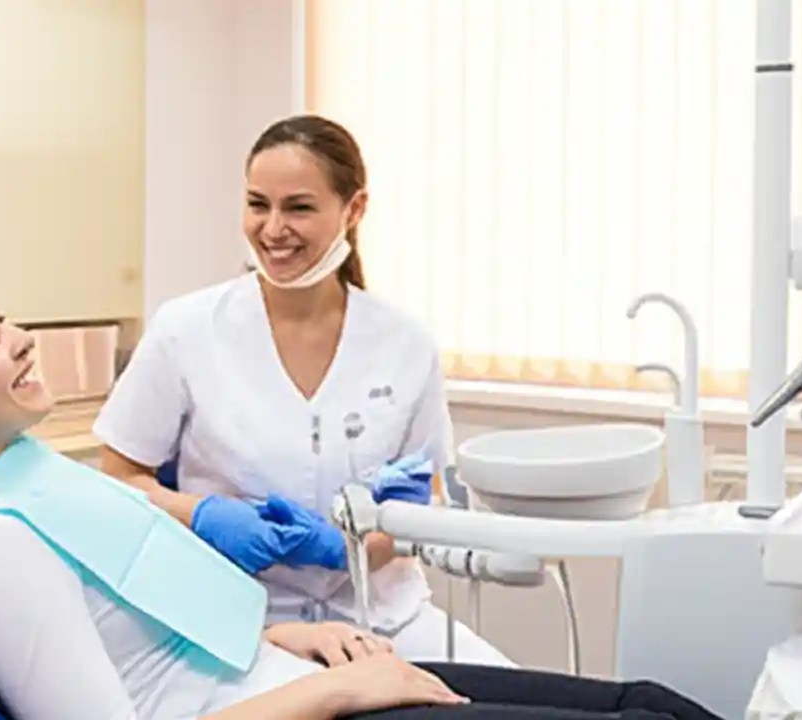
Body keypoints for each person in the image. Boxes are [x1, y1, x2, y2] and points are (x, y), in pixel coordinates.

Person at [0, 266, 722, 720]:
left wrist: (289, 639)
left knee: (648, 703)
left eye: (6, 319)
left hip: (287, 678)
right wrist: (338, 692)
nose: (20, 341)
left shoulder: (29, 483)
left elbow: (134, 629)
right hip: (304, 709)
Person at [90, 114, 507, 665]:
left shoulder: (405, 343)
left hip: (386, 619)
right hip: (243, 628)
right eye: (258, 204)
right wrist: (204, 515)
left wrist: (351, 549)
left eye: (299, 207)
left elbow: (428, 500)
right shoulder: (186, 330)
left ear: (354, 210)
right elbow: (117, 482)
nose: (272, 228)